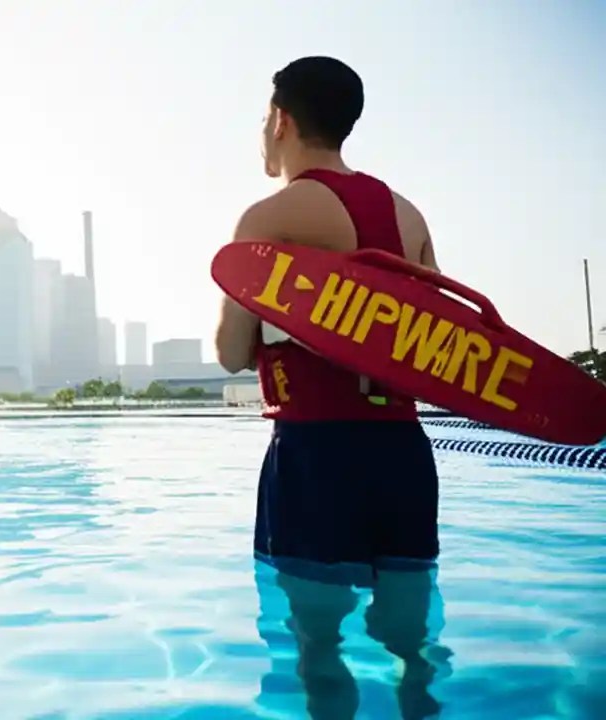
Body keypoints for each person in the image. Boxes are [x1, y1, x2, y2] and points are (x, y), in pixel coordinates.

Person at [214, 57, 446, 718]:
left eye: (265, 119)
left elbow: (232, 353)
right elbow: (441, 348)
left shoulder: (270, 218)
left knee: (315, 644)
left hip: (316, 455)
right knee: (413, 643)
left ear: (281, 120)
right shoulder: (409, 217)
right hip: (405, 453)